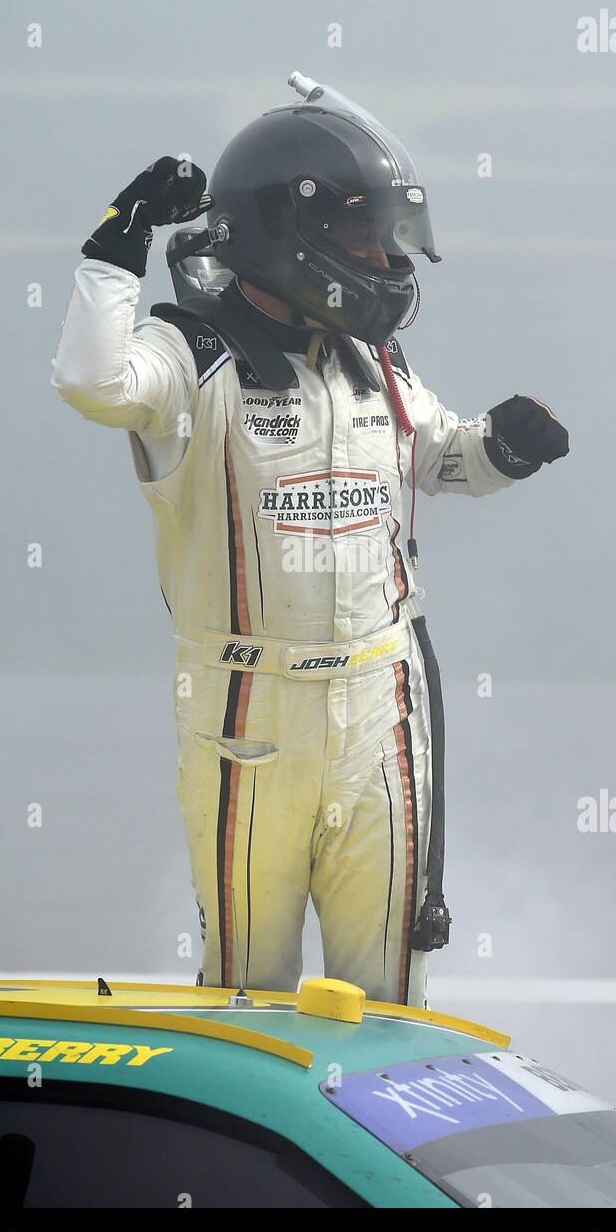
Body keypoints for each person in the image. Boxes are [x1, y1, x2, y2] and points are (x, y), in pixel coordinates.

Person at [52, 80, 568, 1007]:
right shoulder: (189, 356)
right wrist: (116, 241)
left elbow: (438, 459)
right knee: (245, 998)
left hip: (383, 707)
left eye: (386, 236)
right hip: (245, 716)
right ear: (294, 235)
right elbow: (91, 380)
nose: (384, 257)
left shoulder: (372, 361)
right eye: (365, 236)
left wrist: (500, 450)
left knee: (387, 1000)